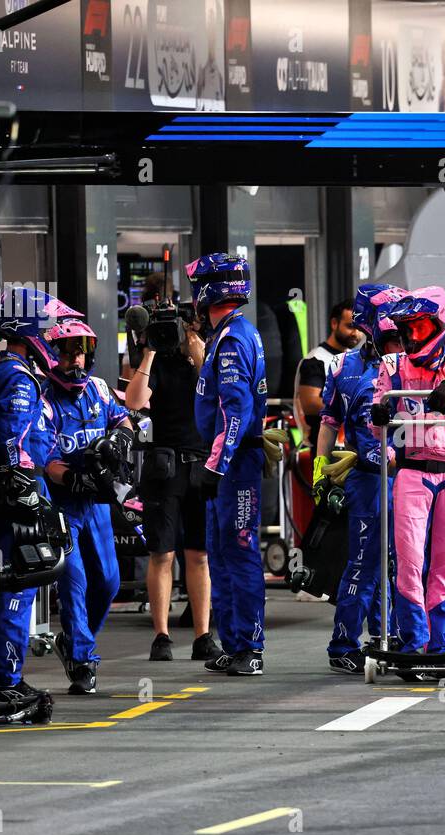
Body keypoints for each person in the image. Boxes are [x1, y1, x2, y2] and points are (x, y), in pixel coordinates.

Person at [369, 286, 445, 664]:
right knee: (407, 559)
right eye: (407, 330)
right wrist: (379, 417)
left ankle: (443, 642)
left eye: (420, 328)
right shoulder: (390, 366)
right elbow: (377, 412)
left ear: (439, 323)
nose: (412, 337)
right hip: (410, 473)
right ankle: (413, 640)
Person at [0, 289, 67, 701]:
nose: (50, 333)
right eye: (45, 326)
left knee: (5, 581)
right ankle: (7, 682)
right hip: (15, 491)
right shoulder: (17, 375)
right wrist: (24, 484)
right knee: (19, 582)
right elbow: (16, 436)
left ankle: (6, 675)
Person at [314, 283, 406, 674]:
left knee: (400, 562)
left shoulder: (412, 364)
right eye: (390, 334)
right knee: (364, 563)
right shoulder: (341, 366)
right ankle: (343, 644)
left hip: (409, 478)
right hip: (366, 478)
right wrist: (321, 473)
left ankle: (388, 636)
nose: (397, 341)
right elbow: (327, 422)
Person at [126, 276, 215, 663]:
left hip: (200, 463)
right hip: (165, 466)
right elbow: (134, 401)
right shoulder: (157, 360)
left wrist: (198, 354)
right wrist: (148, 351)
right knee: (161, 553)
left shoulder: (204, 357)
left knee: (198, 555)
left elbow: (219, 394)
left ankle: (203, 634)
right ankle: (161, 635)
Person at [44, 319, 134, 694]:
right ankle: (83, 659)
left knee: (110, 581)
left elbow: (125, 418)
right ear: (52, 354)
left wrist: (121, 438)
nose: (74, 359)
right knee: (74, 582)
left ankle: (76, 640)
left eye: (79, 350)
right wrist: (72, 477)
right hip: (64, 500)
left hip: (97, 501)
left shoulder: (98, 388)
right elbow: (43, 460)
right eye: (66, 351)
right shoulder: (41, 395)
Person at [190, 253, 270, 677]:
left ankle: (251, 648)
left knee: (239, 550)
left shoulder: (234, 339)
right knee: (220, 553)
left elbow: (234, 409)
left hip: (234, 464)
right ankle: (235, 642)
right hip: (225, 460)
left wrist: (216, 466)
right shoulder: (226, 335)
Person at [295, 300, 362, 447]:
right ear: (334, 324)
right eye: (350, 326)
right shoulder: (316, 359)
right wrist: (355, 407)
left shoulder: (357, 357)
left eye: (359, 327)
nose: (356, 333)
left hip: (351, 445)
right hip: (323, 446)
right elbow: (310, 404)